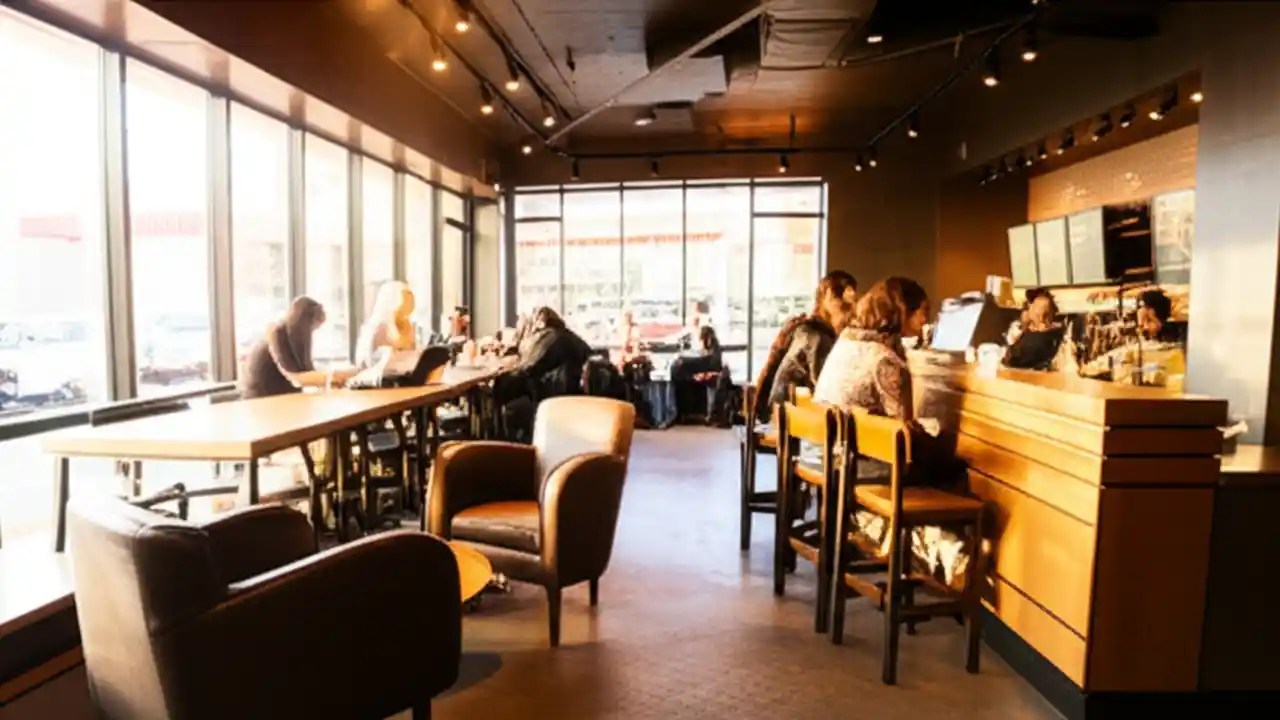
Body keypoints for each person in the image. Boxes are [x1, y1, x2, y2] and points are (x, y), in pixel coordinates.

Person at [813, 277, 971, 588]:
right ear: (901, 313)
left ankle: (914, 545)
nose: (926, 320)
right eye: (922, 311)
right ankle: (939, 555)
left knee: (937, 465)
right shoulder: (886, 360)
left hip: (831, 455)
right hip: (858, 464)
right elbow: (904, 436)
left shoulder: (847, 341)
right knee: (954, 468)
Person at [754, 270, 857, 422]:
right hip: (788, 423)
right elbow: (824, 390)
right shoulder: (816, 336)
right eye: (845, 303)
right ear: (829, 300)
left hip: (783, 415)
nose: (851, 311)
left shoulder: (806, 329)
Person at [240, 296, 351, 399]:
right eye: (313, 327)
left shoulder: (285, 334)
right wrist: (333, 377)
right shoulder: (277, 334)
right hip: (262, 399)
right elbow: (295, 377)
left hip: (276, 398)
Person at [355, 281, 417, 368]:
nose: (410, 307)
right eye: (406, 302)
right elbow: (386, 360)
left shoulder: (406, 325)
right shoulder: (381, 328)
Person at [1005, 288, 1065, 371]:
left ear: (1041, 314)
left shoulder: (1051, 336)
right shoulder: (1020, 328)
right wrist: (1023, 327)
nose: (1029, 307)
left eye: (1033, 305)